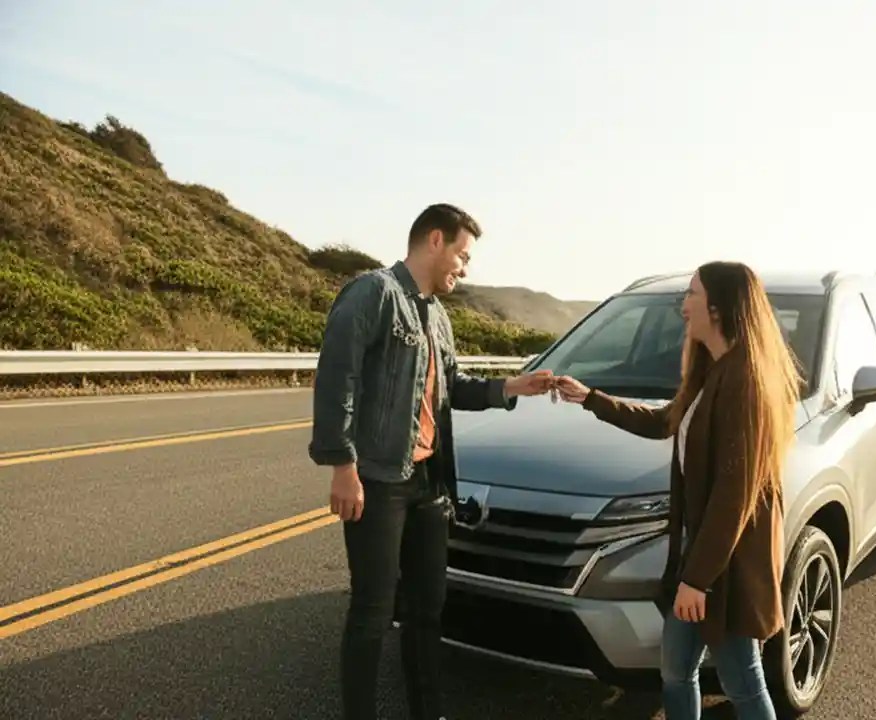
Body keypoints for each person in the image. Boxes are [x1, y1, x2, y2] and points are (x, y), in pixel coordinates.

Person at [308, 203, 555, 720]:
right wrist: (342, 466)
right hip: (378, 479)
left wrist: (513, 386)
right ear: (436, 241)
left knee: (427, 611)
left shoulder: (437, 315)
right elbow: (337, 379)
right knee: (373, 612)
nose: (465, 268)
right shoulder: (373, 293)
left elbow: (451, 391)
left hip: (429, 481)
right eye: (463, 256)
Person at [555, 261, 801, 720]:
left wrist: (697, 580)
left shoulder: (745, 380)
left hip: (724, 564)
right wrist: (590, 398)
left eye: (691, 294)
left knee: (741, 677)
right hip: (698, 555)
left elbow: (734, 496)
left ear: (719, 307)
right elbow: (663, 421)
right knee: (675, 671)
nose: (682, 305)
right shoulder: (713, 371)